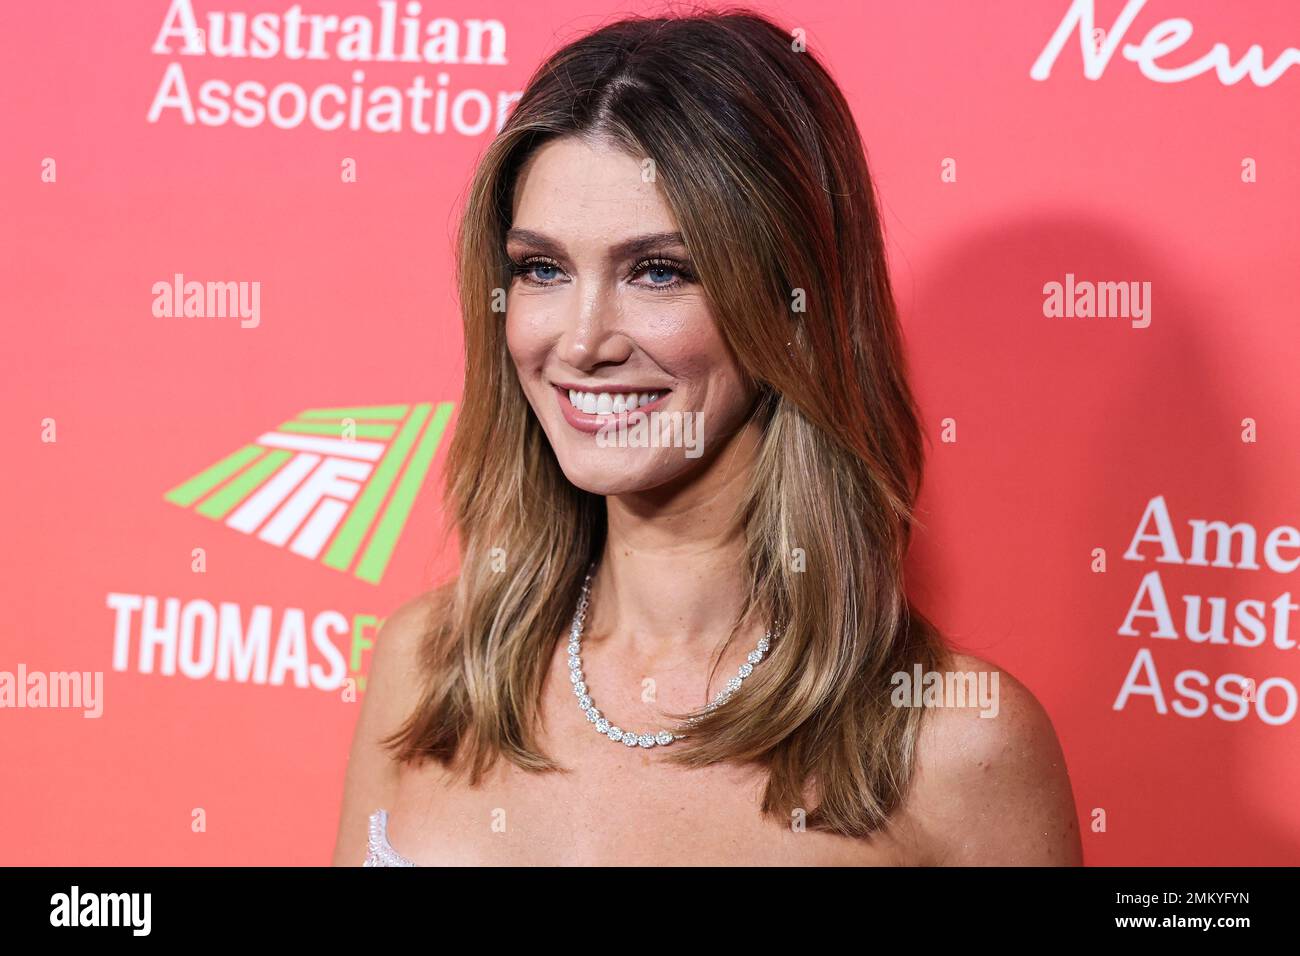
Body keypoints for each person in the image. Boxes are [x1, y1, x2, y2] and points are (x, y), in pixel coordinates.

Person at [333, 9, 1082, 866]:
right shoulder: (428, 669)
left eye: (658, 271)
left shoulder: (958, 747)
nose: (581, 342)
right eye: (542, 268)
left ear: (793, 305)